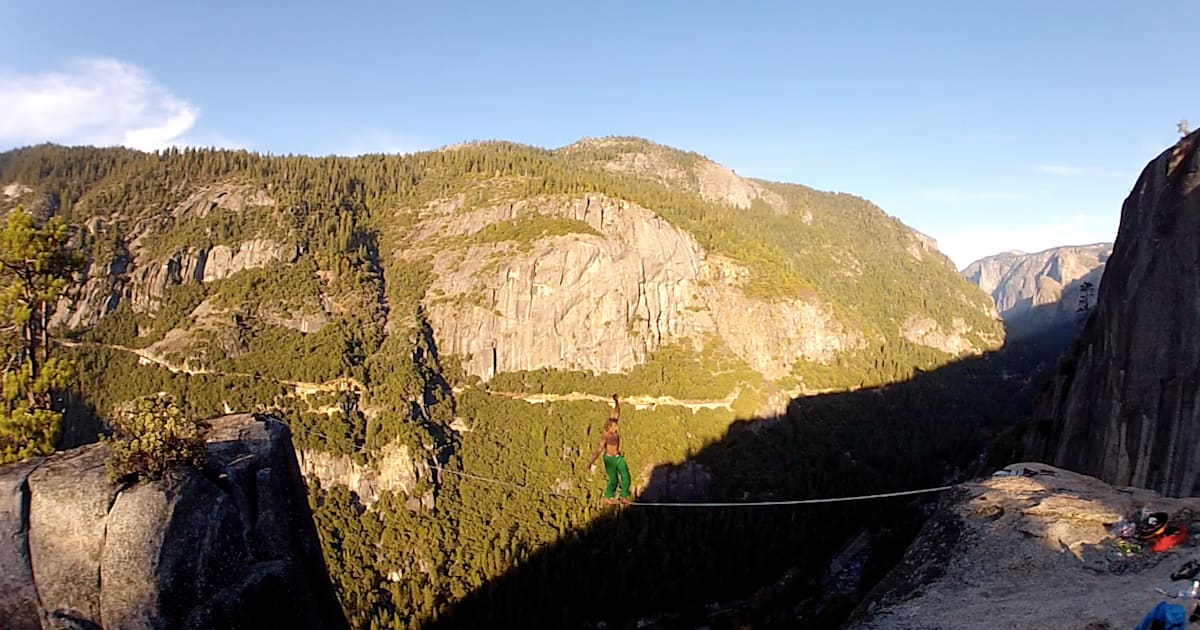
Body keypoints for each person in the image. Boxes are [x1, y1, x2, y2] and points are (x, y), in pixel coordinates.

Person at [587, 394, 631, 504]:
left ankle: (623, 496)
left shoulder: (614, 428)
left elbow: (616, 414)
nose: (617, 427)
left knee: (626, 476)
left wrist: (616, 402)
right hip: (609, 459)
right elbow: (599, 450)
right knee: (614, 480)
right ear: (609, 426)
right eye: (615, 426)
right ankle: (607, 497)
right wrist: (590, 462)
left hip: (618, 457)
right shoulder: (606, 436)